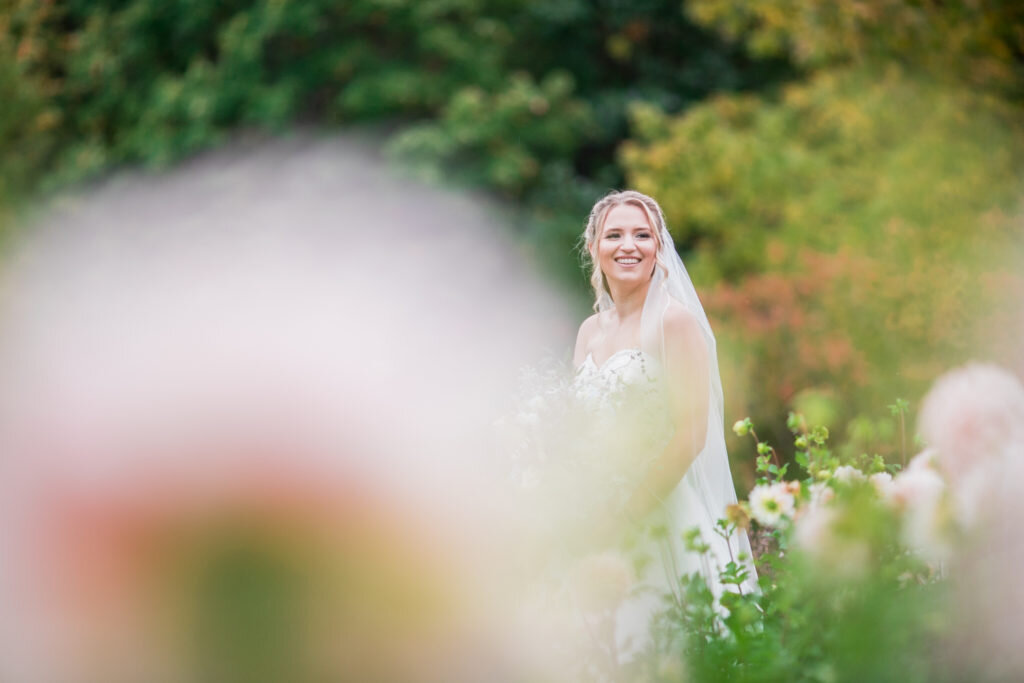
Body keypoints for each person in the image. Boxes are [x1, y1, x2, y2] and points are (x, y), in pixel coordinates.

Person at [572, 189, 757, 657]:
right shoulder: (589, 332)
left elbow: (692, 433)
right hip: (593, 517)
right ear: (594, 247)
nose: (628, 245)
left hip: (659, 515)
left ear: (659, 248)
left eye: (643, 235)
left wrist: (629, 511)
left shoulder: (674, 324)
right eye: (614, 234)